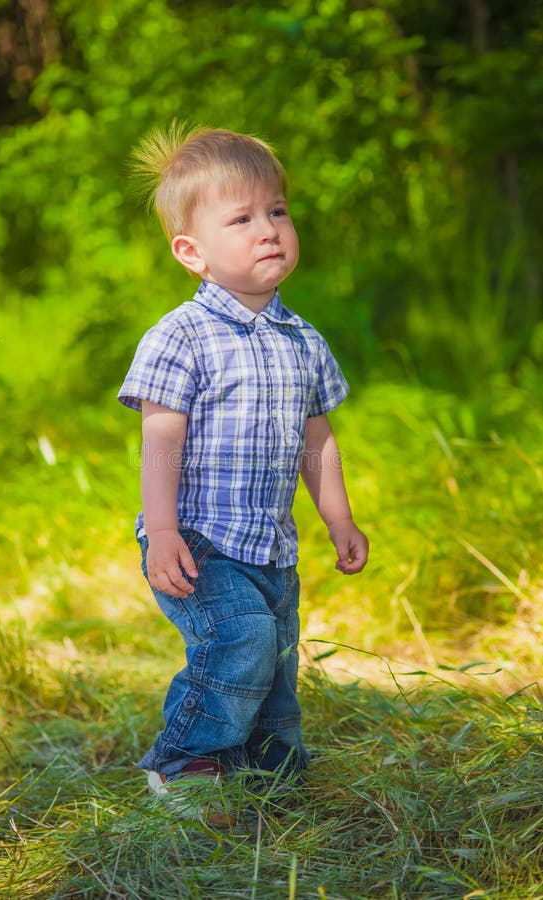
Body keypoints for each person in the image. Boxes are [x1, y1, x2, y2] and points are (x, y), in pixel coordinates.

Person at [118, 124, 369, 827]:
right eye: (241, 219)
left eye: (277, 211)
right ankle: (183, 764)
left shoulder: (303, 340)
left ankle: (266, 776)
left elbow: (317, 441)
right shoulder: (181, 336)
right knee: (241, 641)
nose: (268, 230)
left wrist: (338, 518)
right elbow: (160, 441)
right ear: (191, 252)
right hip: (199, 539)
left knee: (277, 662)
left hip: (272, 546)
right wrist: (162, 530)